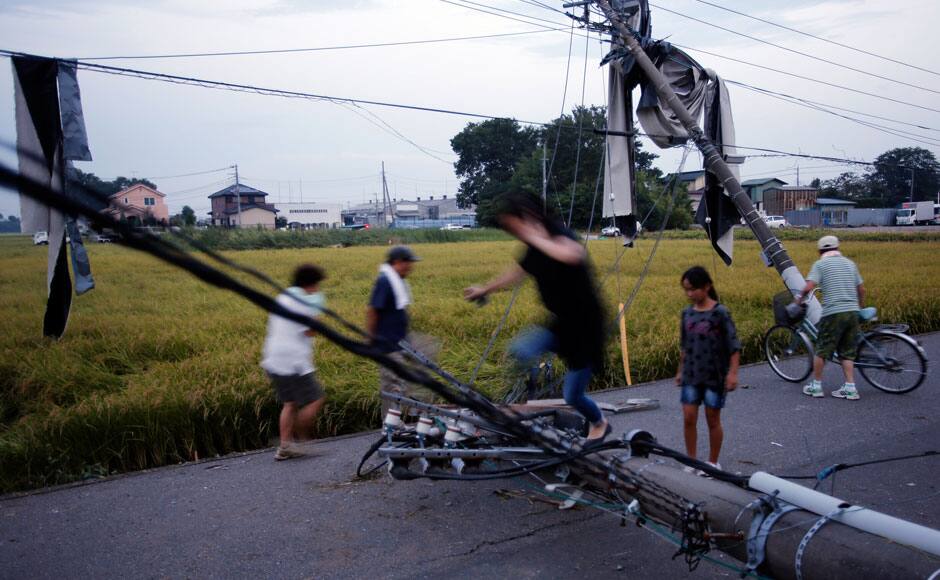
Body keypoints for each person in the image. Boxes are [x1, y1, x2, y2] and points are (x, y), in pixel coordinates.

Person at [463, 193, 610, 441]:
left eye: (513, 226)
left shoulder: (560, 234)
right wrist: (484, 289)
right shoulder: (533, 250)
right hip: (560, 323)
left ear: (528, 217)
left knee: (573, 396)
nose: (514, 233)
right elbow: (516, 273)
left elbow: (572, 255)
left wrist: (533, 236)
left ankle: (600, 422)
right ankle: (522, 404)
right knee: (521, 350)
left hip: (587, 327)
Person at [675, 266, 740, 472]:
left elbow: (734, 345)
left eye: (693, 289)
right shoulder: (686, 314)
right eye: (686, 289)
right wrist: (679, 370)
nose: (689, 294)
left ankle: (712, 463)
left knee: (713, 419)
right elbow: (684, 346)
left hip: (715, 375)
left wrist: (732, 373)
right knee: (688, 418)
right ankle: (692, 460)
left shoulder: (720, 312)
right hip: (691, 374)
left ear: (707, 287)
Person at [261, 264, 327, 461]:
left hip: (273, 359)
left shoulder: (283, 297)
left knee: (289, 403)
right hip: (293, 361)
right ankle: (301, 438)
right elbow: (311, 330)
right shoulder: (303, 303)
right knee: (316, 399)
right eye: (317, 286)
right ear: (310, 285)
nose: (317, 290)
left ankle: (285, 447)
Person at [794, 235, 865, 400]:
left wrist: (798, 299)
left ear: (820, 251)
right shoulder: (850, 264)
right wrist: (859, 306)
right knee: (847, 351)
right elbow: (861, 290)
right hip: (853, 312)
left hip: (833, 313)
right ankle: (850, 387)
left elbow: (809, 287)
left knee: (822, 349)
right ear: (837, 248)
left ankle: (816, 386)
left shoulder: (820, 264)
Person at [367, 245, 433, 419]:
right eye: (408, 263)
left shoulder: (396, 280)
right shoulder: (385, 281)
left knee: (428, 351)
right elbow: (373, 310)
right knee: (393, 384)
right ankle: (390, 425)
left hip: (403, 340)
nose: (411, 267)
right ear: (397, 262)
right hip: (388, 344)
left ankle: (416, 402)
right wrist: (372, 340)